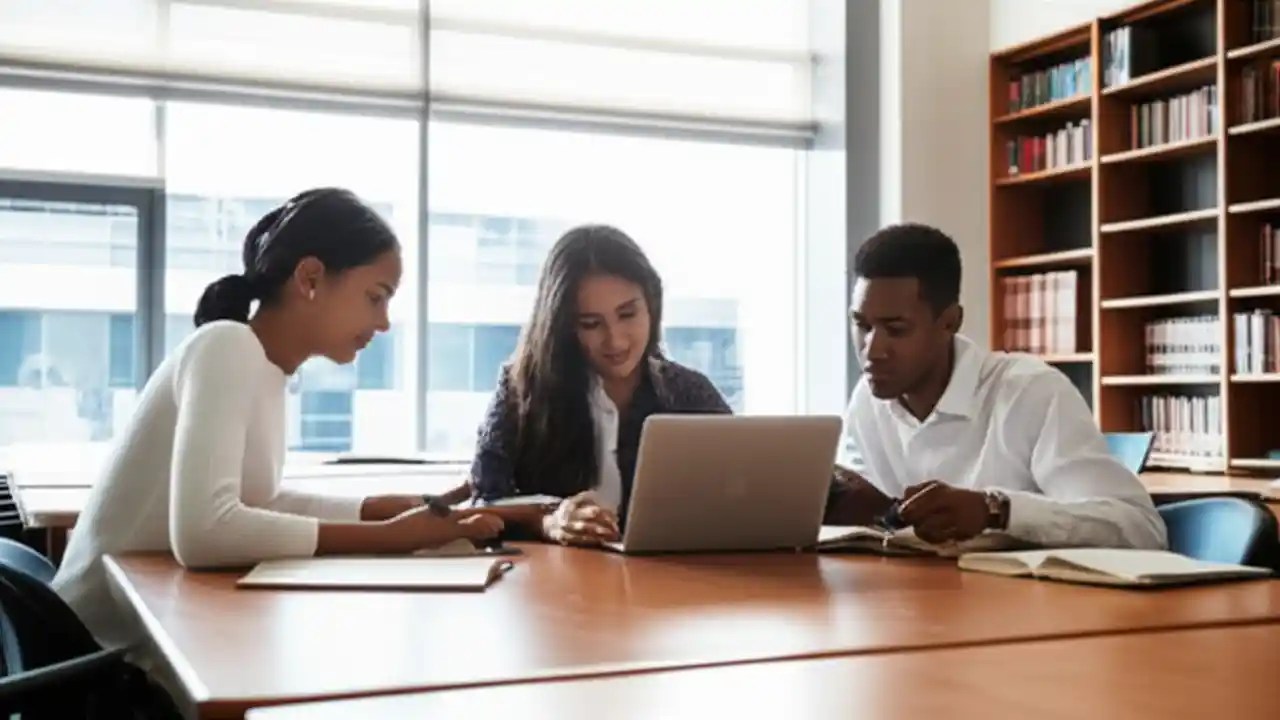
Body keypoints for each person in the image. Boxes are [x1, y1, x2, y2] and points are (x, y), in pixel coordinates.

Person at [53, 188, 504, 648]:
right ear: (310, 278)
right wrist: (389, 538)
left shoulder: (265, 369)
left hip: (128, 646)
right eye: (375, 296)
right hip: (90, 663)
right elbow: (204, 533)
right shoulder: (226, 346)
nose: (385, 321)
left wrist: (372, 510)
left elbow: (254, 502)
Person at [826, 222, 1167, 550]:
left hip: (1024, 606)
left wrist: (997, 512)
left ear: (949, 322)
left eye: (896, 329)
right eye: (862, 325)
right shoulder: (867, 400)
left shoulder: (1031, 392)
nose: (872, 350)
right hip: (914, 600)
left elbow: (1142, 529)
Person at [466, 224, 732, 546]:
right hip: (557, 588)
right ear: (563, 326)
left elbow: (744, 491)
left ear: (652, 304)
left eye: (628, 314)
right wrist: (548, 521)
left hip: (674, 584)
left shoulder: (689, 393)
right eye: (590, 324)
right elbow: (483, 504)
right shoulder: (521, 390)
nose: (615, 340)